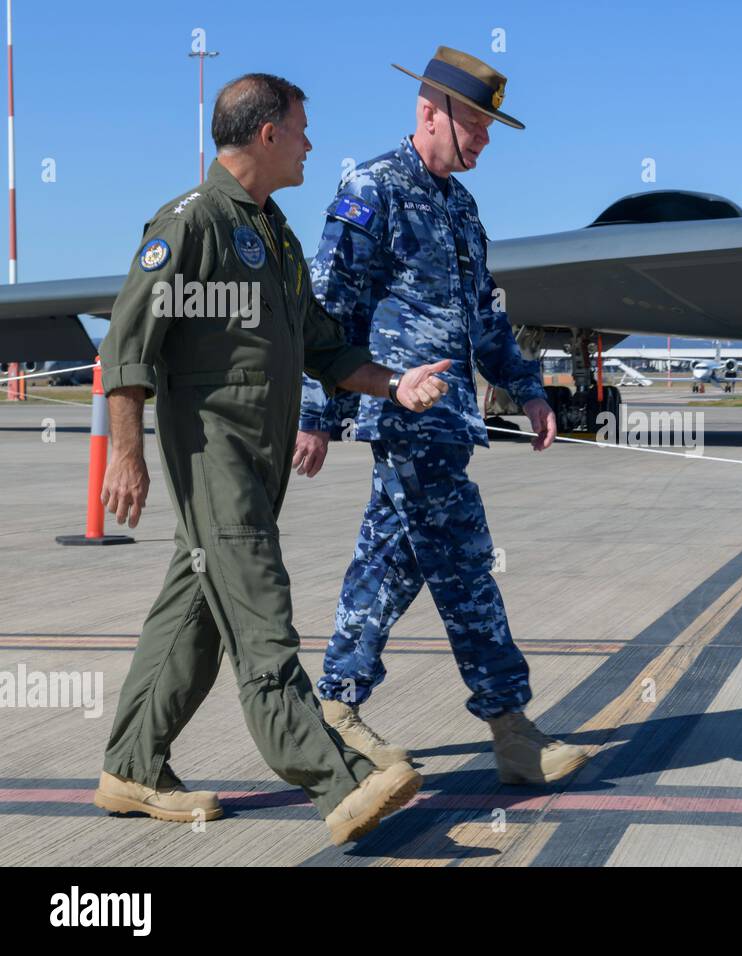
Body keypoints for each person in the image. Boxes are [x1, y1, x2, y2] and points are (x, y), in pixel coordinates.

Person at [94, 73, 452, 846]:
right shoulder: (190, 224)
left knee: (192, 616)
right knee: (263, 620)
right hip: (214, 456)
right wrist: (127, 458)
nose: (310, 145)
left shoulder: (275, 233)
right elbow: (125, 349)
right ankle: (339, 783)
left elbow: (325, 347)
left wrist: (397, 383)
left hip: (260, 462)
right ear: (265, 135)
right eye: (301, 129)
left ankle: (131, 767)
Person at [294, 47, 587, 785]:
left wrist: (526, 389)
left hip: (450, 419)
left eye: (491, 126)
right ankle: (511, 726)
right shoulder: (374, 187)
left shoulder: (460, 207)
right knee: (464, 564)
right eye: (478, 124)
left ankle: (335, 705)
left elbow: (486, 316)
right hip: (401, 412)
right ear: (431, 112)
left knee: (389, 565)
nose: (485, 139)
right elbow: (331, 309)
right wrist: (317, 413)